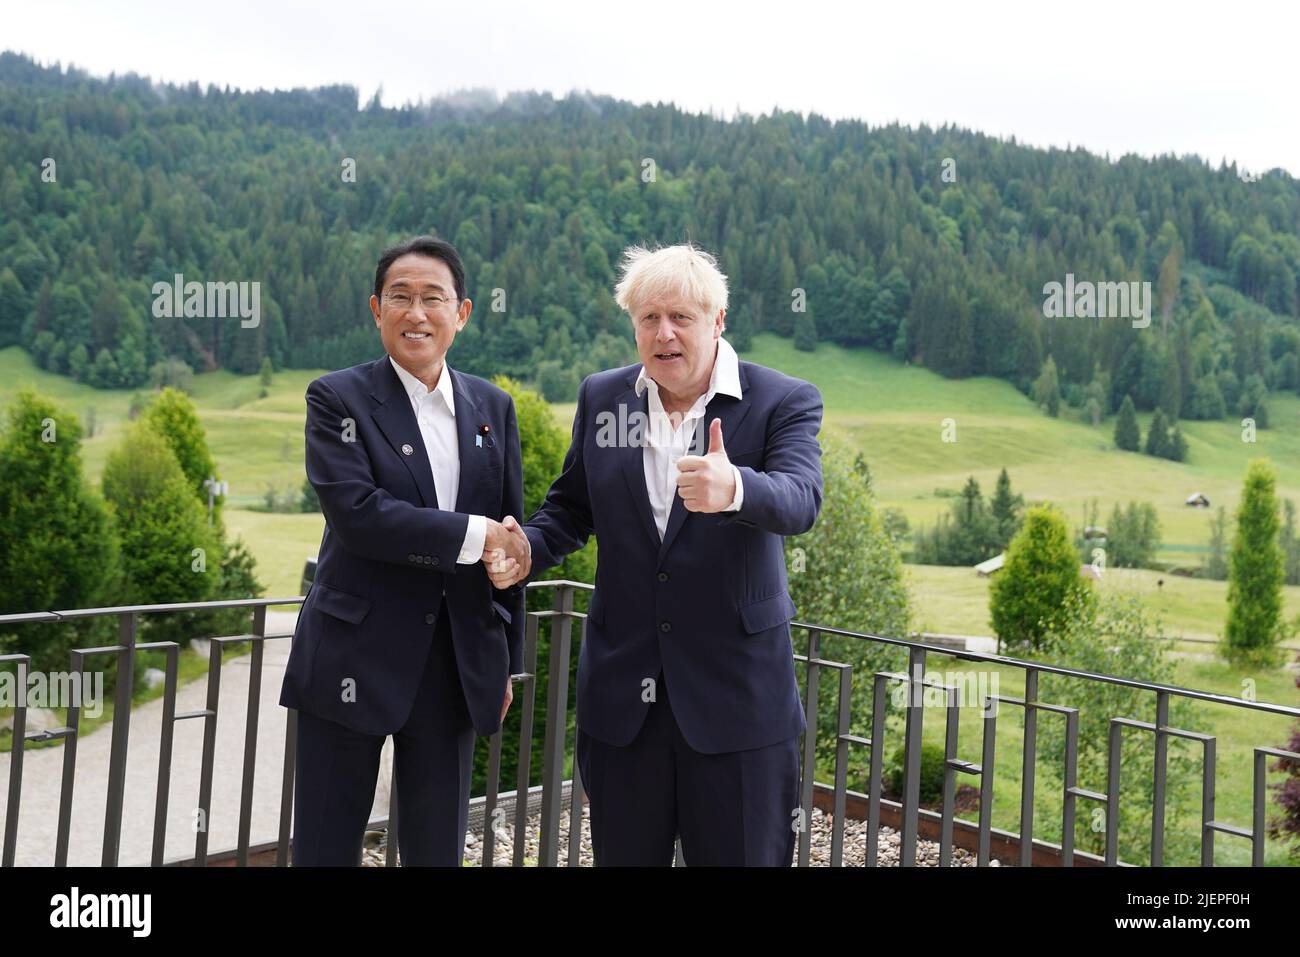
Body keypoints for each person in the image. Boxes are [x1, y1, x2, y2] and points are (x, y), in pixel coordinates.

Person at [487, 243, 824, 865]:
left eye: (681, 318)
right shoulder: (603, 398)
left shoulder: (783, 400)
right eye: (648, 319)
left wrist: (736, 488)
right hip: (623, 706)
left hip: (738, 707)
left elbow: (802, 500)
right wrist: (526, 549)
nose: (663, 333)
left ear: (717, 321)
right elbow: (572, 507)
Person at [280, 236, 531, 866]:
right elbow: (360, 517)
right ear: (376, 309)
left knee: (436, 849)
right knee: (324, 845)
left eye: (433, 299)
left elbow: (512, 546)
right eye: (400, 297)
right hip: (350, 658)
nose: (416, 313)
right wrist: (477, 538)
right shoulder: (335, 398)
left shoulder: (493, 408)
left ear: (463, 312)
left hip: (454, 667)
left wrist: (505, 658)